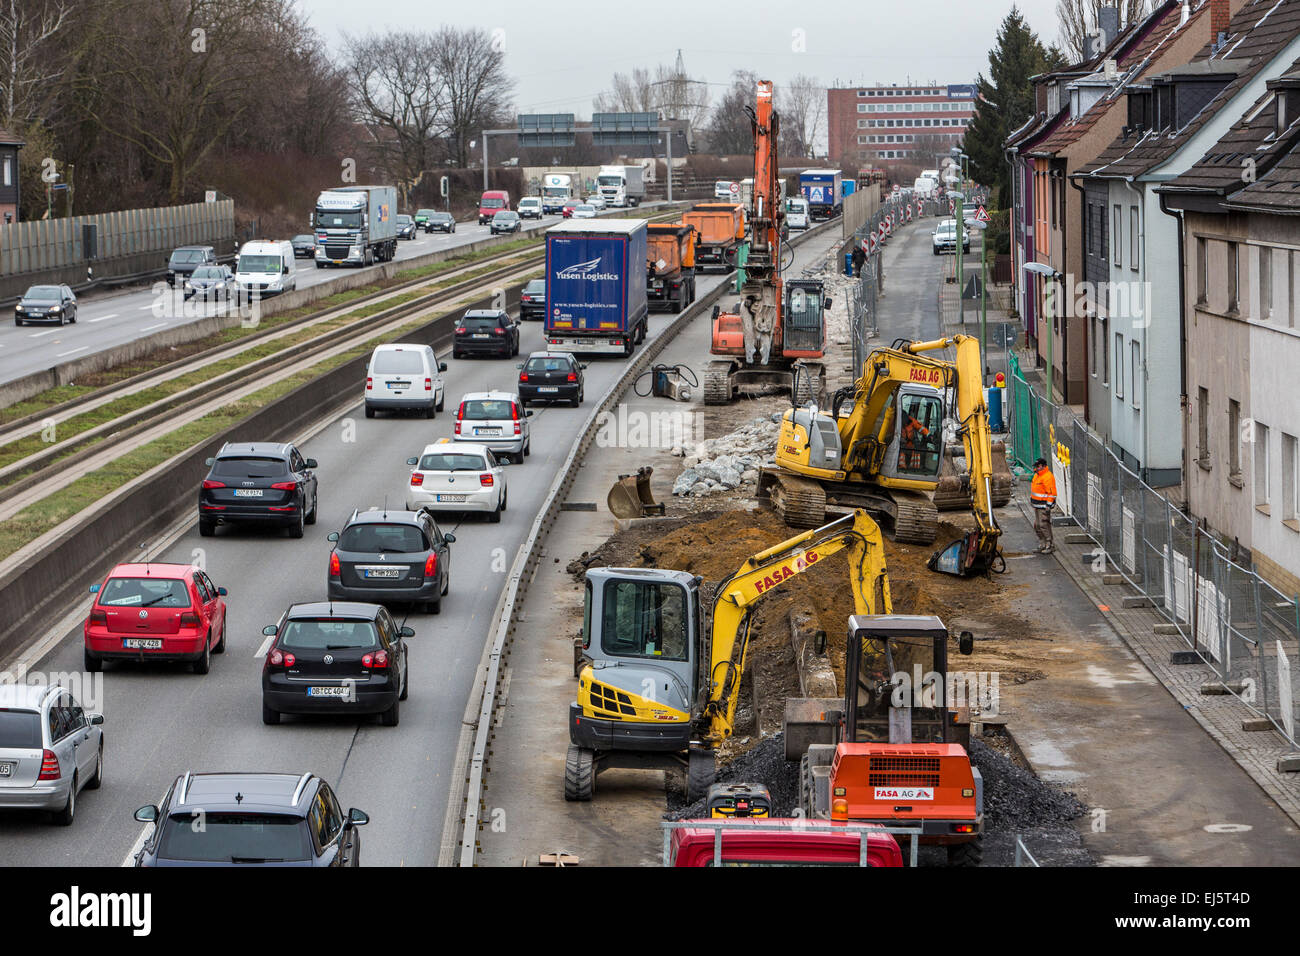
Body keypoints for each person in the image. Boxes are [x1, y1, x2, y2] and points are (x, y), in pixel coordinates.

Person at [1030, 457, 1058, 553]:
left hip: (1043, 506)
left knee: (1044, 525)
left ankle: (1049, 545)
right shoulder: (1037, 475)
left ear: (1043, 466)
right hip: (1037, 505)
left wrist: (1048, 506)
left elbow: (1052, 493)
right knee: (1037, 525)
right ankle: (1043, 544)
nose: (1036, 468)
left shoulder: (1047, 477)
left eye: (1038, 466)